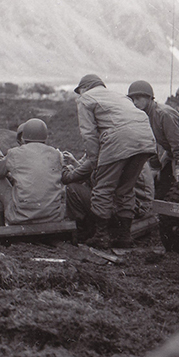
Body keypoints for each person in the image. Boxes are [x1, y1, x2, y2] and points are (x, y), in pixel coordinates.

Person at [61, 74, 156, 249]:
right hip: (145, 139)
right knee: (125, 189)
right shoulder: (119, 96)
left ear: (85, 88)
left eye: (79, 91)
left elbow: (88, 133)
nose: (78, 94)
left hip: (120, 139)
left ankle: (101, 236)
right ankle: (124, 236)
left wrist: (95, 160)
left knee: (103, 189)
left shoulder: (85, 98)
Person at [127, 80, 179, 200]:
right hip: (171, 147)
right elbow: (151, 142)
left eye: (138, 98)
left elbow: (178, 141)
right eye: (133, 99)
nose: (135, 102)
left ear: (149, 98)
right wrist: (155, 165)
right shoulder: (144, 115)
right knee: (163, 176)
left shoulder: (163, 114)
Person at [0, 118, 66, 225]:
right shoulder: (56, 154)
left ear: (23, 138)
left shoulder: (14, 153)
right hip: (53, 216)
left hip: (21, 217)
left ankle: (0, 227)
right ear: (46, 137)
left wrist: (10, 174)